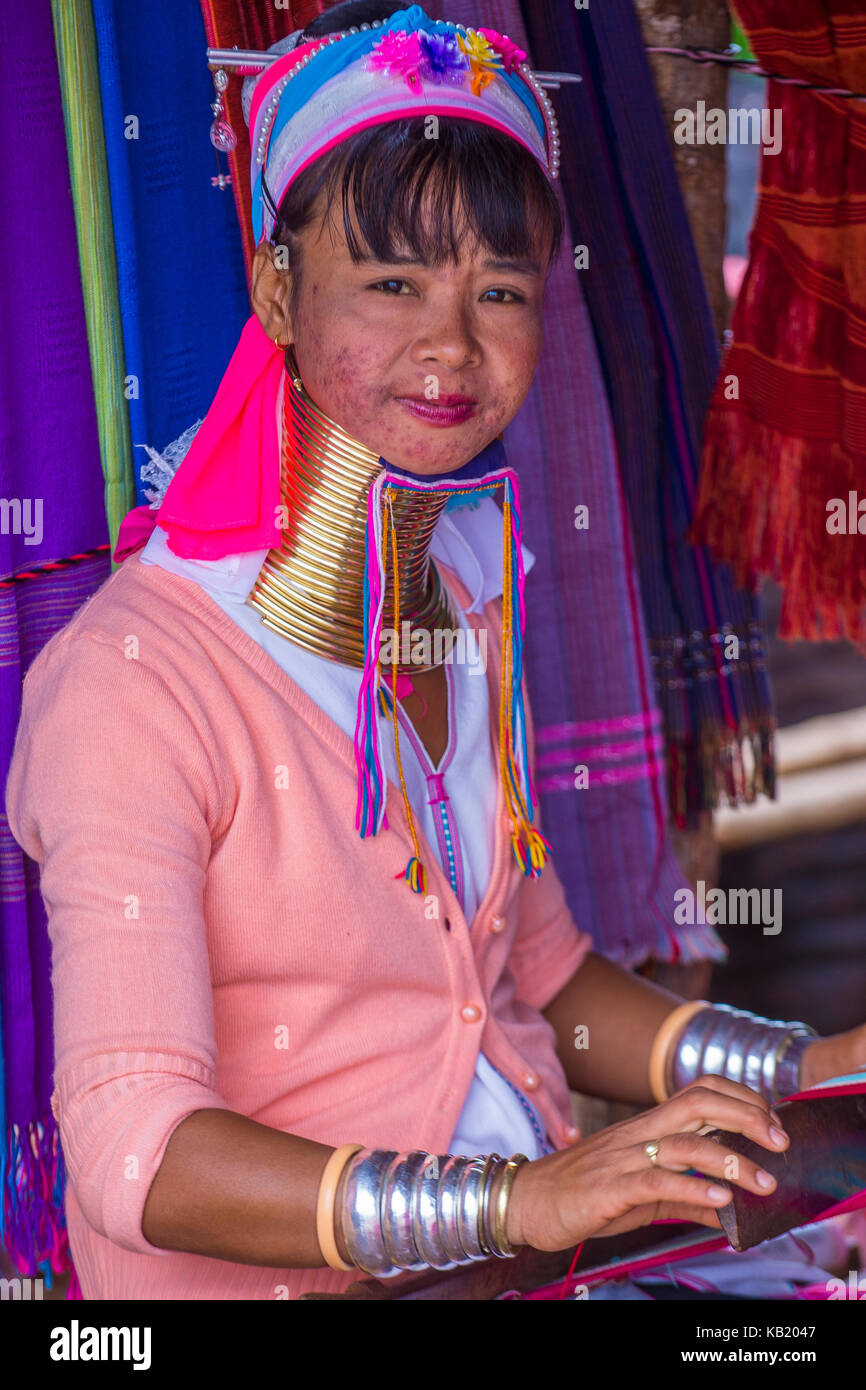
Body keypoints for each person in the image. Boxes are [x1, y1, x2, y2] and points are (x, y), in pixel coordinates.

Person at [6, 0, 866, 1300]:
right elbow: (142, 1157)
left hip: (510, 1267)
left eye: (499, 290)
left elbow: (547, 979)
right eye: (393, 282)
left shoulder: (463, 581)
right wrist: (519, 1198)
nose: (451, 345)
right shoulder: (136, 687)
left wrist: (810, 1071)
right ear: (277, 290)